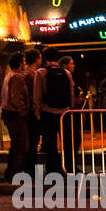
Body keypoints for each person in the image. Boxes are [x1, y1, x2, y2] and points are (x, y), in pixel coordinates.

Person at [34, 47, 72, 176]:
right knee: (66, 140)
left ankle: (52, 168)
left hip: (47, 111)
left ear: (45, 57)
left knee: (50, 142)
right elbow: (71, 93)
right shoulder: (66, 73)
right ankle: (68, 166)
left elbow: (37, 94)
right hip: (64, 111)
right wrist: (70, 108)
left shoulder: (41, 72)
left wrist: (37, 111)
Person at [0, 52, 31, 182]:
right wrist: (22, 110)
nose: (25, 64)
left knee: (16, 144)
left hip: (9, 113)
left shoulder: (8, 76)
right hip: (15, 114)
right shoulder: (17, 77)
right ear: (19, 63)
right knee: (21, 145)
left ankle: (11, 172)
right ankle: (16, 173)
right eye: (23, 62)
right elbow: (16, 97)